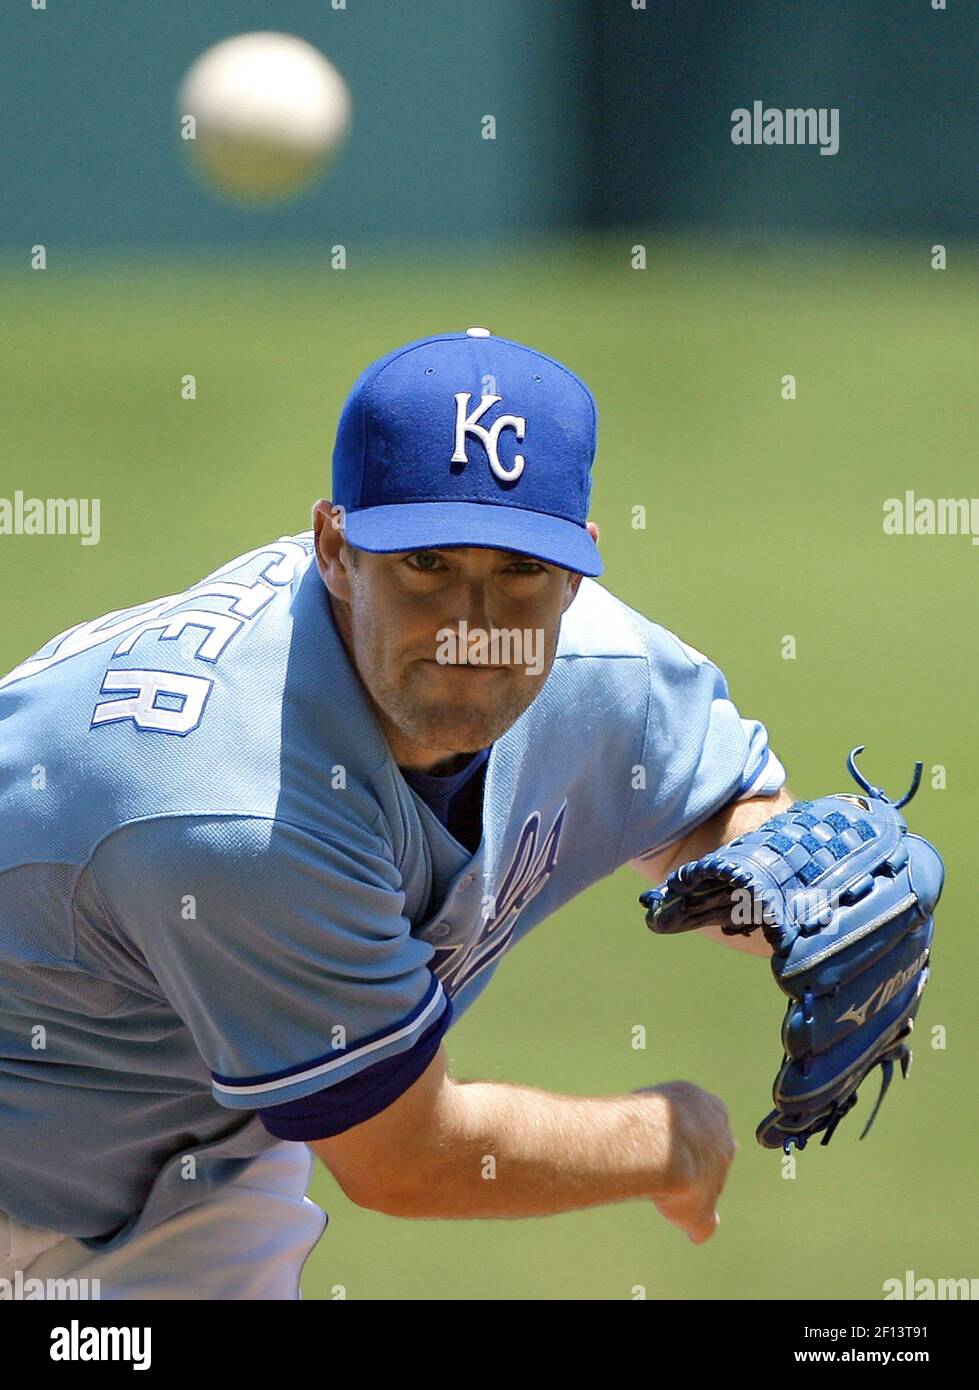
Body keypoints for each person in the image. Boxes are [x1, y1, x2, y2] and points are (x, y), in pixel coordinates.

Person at [0, 328, 792, 1300]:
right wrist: (667, 1138)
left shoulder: (599, 670)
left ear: (578, 568)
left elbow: (719, 814)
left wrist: (800, 906)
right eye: (425, 563)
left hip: (186, 1173)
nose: (473, 622)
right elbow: (408, 1160)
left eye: (518, 572)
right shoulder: (239, 810)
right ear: (335, 548)